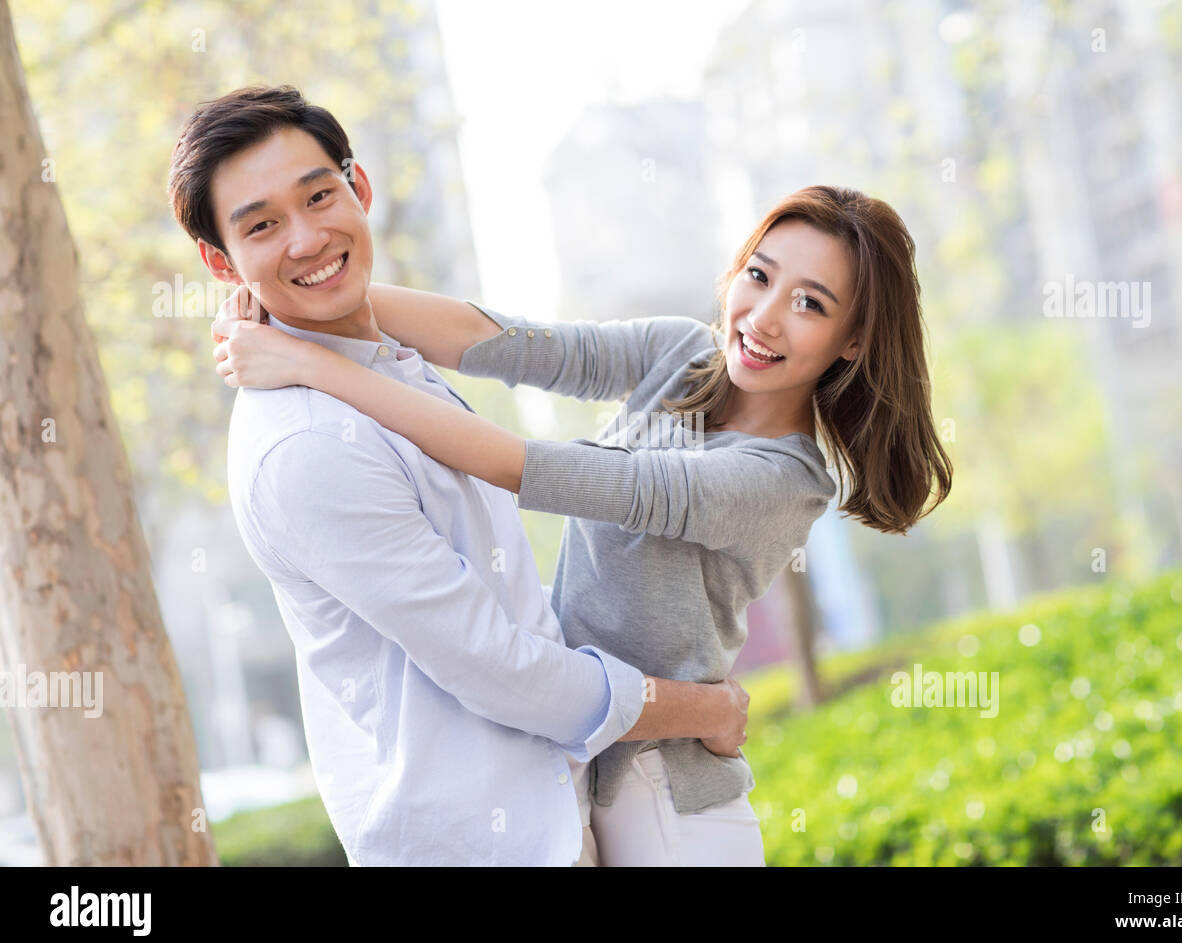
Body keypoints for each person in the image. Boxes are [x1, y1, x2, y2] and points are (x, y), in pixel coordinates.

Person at [212, 179, 956, 865]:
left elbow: (520, 465)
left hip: (666, 798)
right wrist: (293, 303)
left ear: (851, 341)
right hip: (582, 766)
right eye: (759, 277)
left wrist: (308, 364)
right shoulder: (683, 355)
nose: (762, 319)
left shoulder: (779, 479)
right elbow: (509, 342)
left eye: (810, 304)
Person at [168, 85, 751, 866]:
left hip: (548, 819)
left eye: (320, 196)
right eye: (263, 225)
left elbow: (503, 341)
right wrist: (701, 709)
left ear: (359, 187)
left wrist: (294, 338)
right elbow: (498, 668)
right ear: (219, 260)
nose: (307, 238)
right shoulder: (306, 446)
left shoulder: (381, 365)